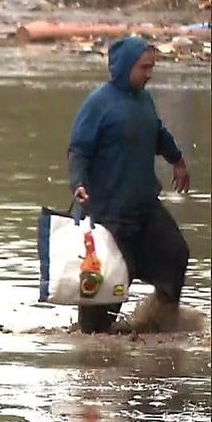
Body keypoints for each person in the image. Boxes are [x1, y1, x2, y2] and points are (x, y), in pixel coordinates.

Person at [68, 36, 191, 334]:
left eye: (152, 67)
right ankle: (93, 344)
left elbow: (158, 133)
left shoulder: (144, 100)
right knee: (107, 287)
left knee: (175, 255)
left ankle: (155, 323)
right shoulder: (98, 104)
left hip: (145, 207)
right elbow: (79, 149)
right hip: (110, 213)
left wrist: (177, 160)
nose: (149, 74)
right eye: (144, 67)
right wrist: (78, 182)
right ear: (124, 67)